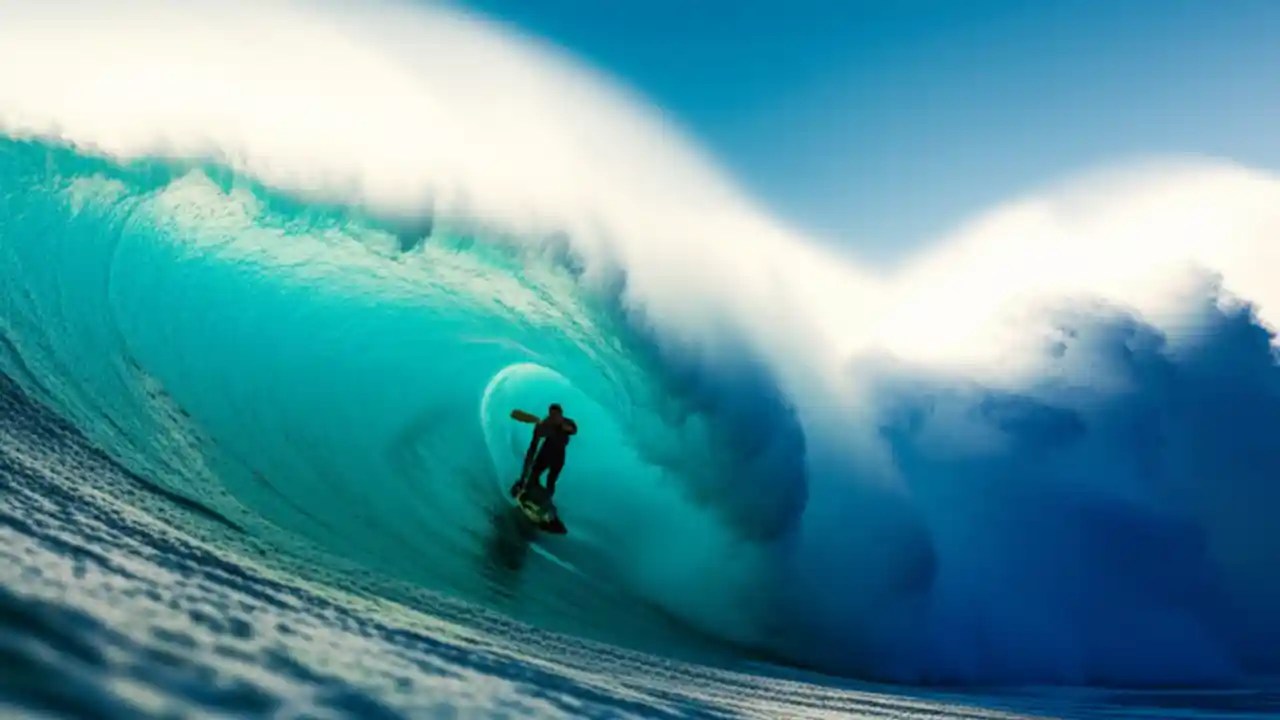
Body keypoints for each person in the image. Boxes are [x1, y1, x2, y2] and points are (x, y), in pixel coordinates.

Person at [509, 403, 577, 502]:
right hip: (544, 455)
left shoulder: (566, 423)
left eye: (558, 416)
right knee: (532, 476)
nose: (556, 418)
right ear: (550, 415)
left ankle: (547, 501)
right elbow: (532, 448)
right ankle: (524, 489)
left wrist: (567, 427)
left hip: (558, 457)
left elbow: (574, 430)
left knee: (551, 482)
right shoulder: (544, 425)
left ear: (561, 414)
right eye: (553, 416)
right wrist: (523, 476)